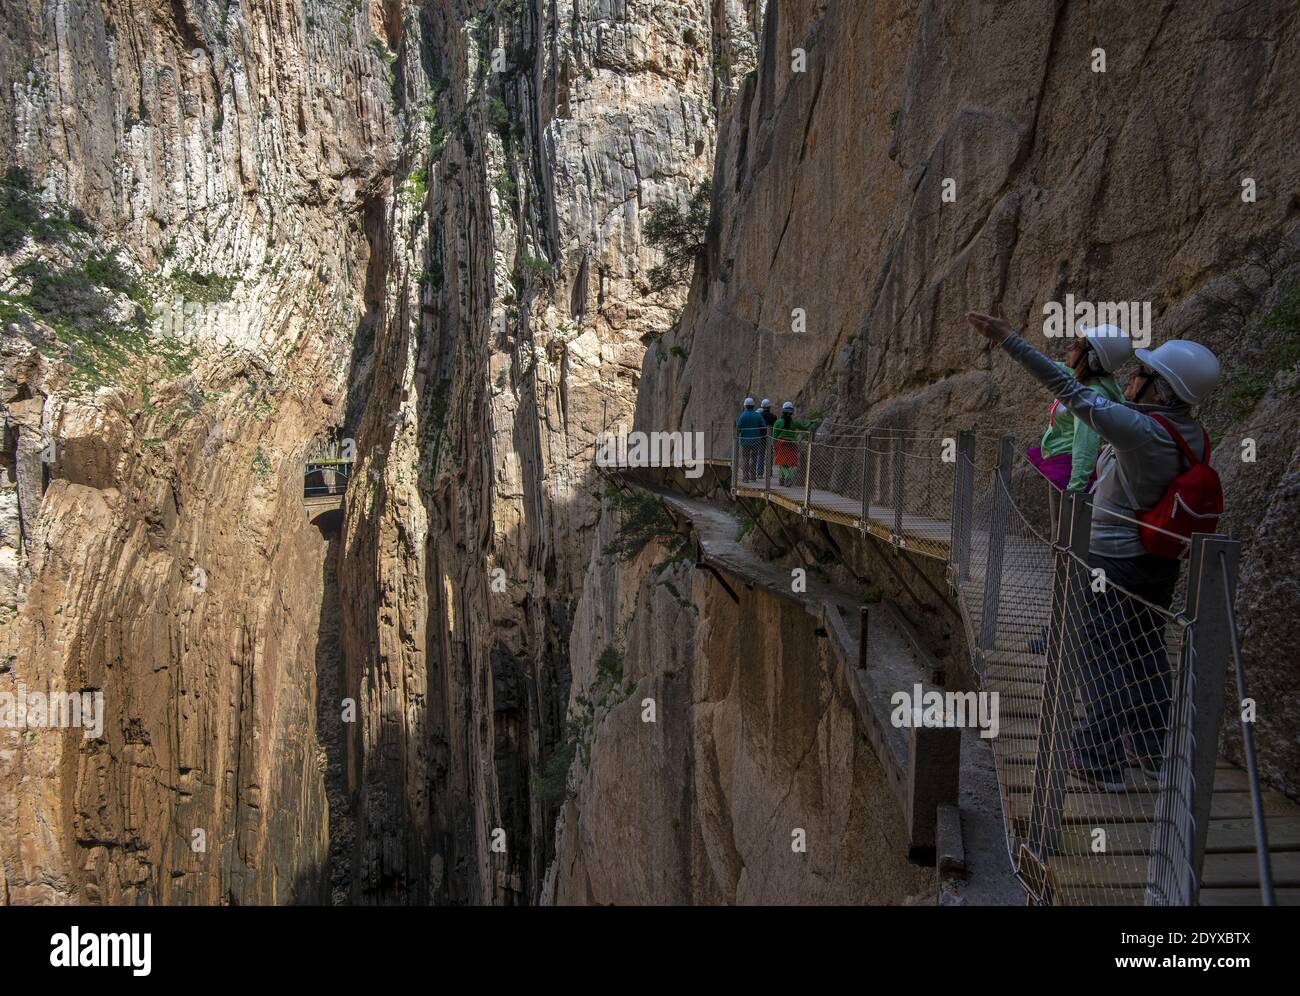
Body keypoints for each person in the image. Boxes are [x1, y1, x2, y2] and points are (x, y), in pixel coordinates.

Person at [966, 305, 1221, 792]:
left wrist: (1009, 340)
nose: (1131, 379)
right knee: (1144, 649)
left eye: (1142, 374)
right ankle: (1151, 747)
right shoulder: (1192, 432)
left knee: (1100, 652)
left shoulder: (1142, 430)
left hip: (1113, 560)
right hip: (1156, 562)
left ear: (1159, 388)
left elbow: (1070, 390)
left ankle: (1099, 758)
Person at [1028, 324, 1132, 532]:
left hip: (1069, 473)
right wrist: (1009, 341)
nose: (1069, 348)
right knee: (1063, 535)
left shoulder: (1090, 396)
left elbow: (1086, 443)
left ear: (1091, 357)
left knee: (1064, 535)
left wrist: (1074, 492)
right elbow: (1053, 368)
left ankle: (1061, 565)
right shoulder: (1084, 382)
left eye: (1077, 345)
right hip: (1065, 465)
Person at [771, 401, 813, 486]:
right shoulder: (795, 423)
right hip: (792, 445)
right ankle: (781, 480)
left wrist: (774, 445)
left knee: (782, 462)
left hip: (781, 444)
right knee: (785, 463)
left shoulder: (778, 422)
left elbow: (774, 436)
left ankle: (787, 477)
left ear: (783, 411)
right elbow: (805, 427)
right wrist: (810, 423)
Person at [735, 397, 766, 482]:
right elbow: (763, 426)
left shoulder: (743, 416)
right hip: (756, 440)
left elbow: (738, 428)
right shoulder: (758, 415)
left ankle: (745, 477)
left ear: (745, 406)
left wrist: (738, 435)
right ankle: (753, 476)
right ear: (753, 406)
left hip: (745, 441)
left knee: (745, 458)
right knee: (754, 458)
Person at [757, 399, 777, 478]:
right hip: (770, 437)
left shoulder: (759, 415)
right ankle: (769, 472)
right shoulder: (773, 417)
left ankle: (760, 473)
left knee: (760, 454)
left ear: (762, 406)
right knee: (769, 455)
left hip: (761, 437)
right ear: (769, 407)